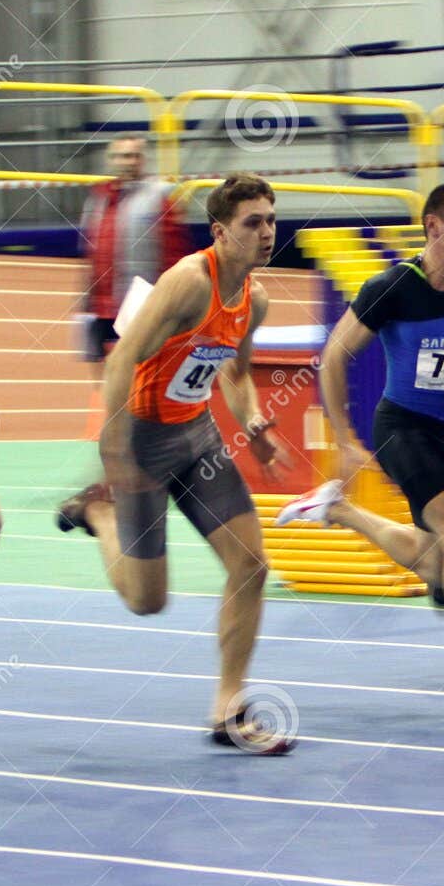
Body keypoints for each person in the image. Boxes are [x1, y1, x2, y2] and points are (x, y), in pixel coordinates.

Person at [274, 183, 444, 708]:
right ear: (433, 226)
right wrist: (344, 438)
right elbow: (333, 357)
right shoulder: (392, 288)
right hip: (402, 428)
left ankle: (338, 510)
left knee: (441, 566)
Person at [55, 173, 293, 754]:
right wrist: (115, 453)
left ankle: (228, 709)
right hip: (141, 441)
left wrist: (254, 424)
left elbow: (233, 372)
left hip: (198, 437)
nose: (266, 232)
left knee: (251, 566)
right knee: (147, 601)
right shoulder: (188, 283)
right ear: (220, 232)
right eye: (252, 223)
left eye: (270, 219)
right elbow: (121, 363)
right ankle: (99, 516)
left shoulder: (253, 298)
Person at [77, 134, 190, 436]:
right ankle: (116, 428)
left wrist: (170, 303)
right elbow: (90, 248)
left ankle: (140, 430)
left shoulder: (160, 196)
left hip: (139, 302)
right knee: (105, 375)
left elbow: (175, 254)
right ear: (110, 161)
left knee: (138, 373)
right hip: (101, 302)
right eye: (120, 157)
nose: (126, 163)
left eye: (133, 156)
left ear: (144, 159)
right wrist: (85, 301)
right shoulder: (98, 197)